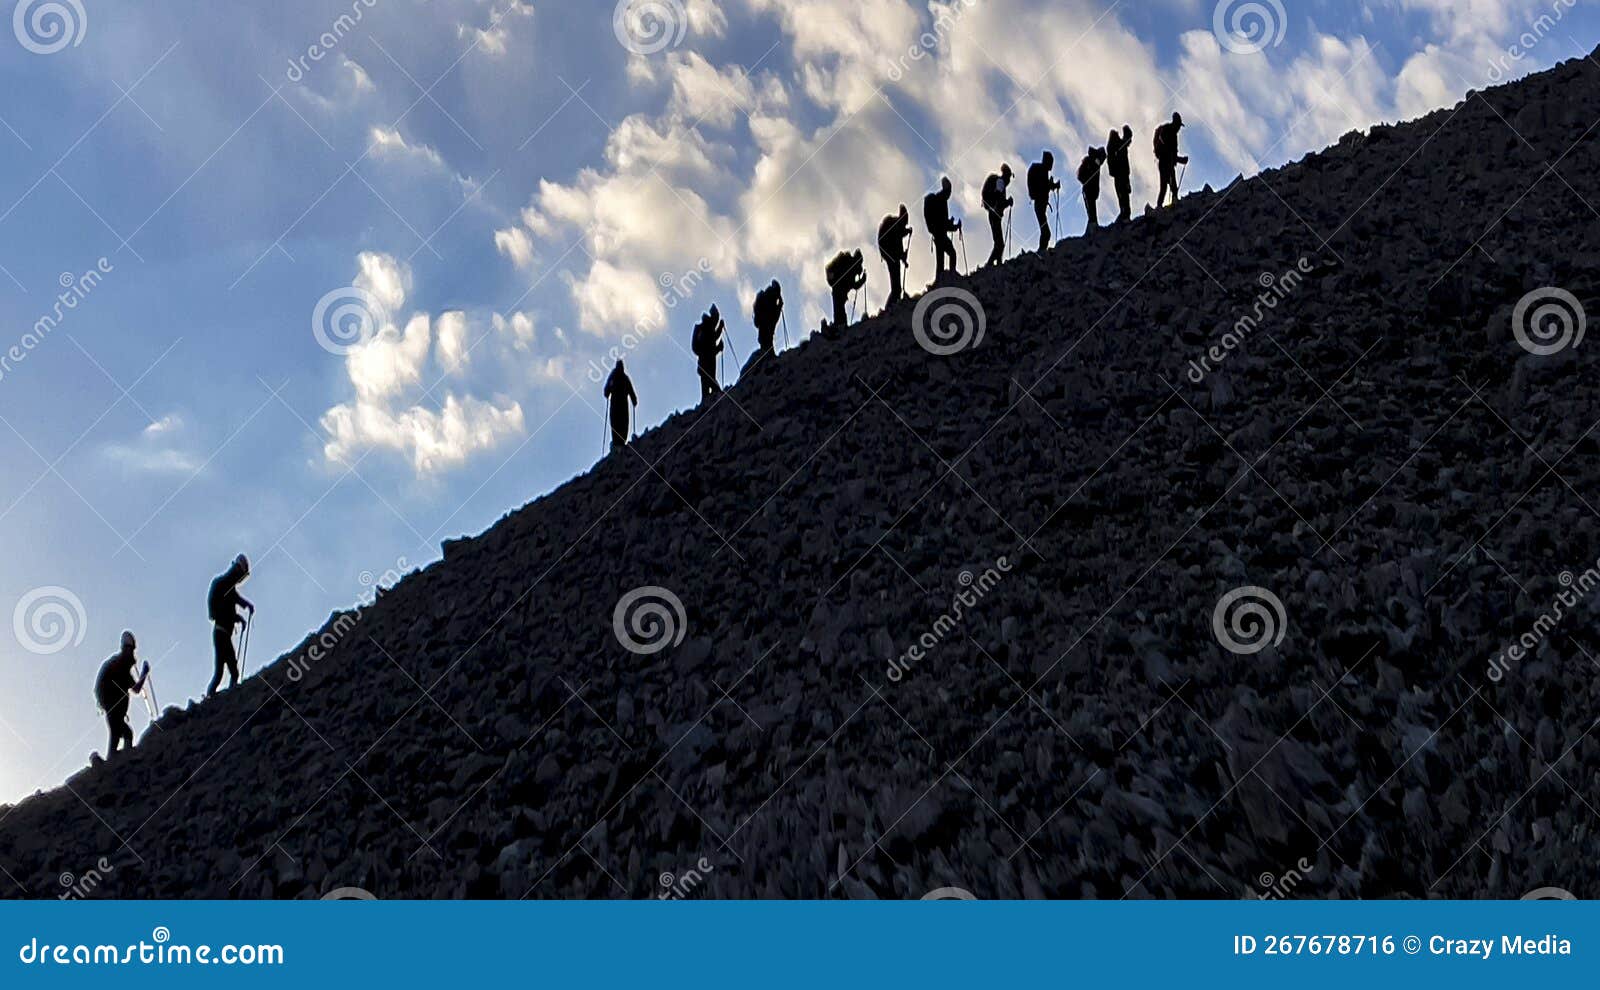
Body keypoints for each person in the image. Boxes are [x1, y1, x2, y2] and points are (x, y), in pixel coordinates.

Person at [96, 631, 150, 758]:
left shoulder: (116, 665)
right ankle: (122, 762)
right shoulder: (120, 667)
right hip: (113, 709)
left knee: (118, 735)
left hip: (111, 708)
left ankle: (113, 763)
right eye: (131, 650)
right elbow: (136, 689)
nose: (132, 653)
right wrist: (144, 673)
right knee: (124, 734)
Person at [207, 554, 254, 696]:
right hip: (222, 634)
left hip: (220, 633)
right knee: (232, 672)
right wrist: (243, 611)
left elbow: (230, 604)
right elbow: (231, 603)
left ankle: (211, 698)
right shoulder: (225, 585)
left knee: (220, 672)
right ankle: (229, 698)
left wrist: (240, 615)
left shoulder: (223, 584)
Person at [922, 177, 961, 283]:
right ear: (947, 190)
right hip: (941, 235)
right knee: (952, 254)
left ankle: (938, 282)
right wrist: (955, 226)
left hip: (937, 235)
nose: (950, 193)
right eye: (950, 191)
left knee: (940, 261)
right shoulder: (941, 201)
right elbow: (943, 223)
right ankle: (951, 276)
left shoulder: (939, 199)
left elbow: (942, 222)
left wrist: (951, 224)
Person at [822, 249, 867, 339]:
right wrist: (863, 280)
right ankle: (837, 330)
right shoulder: (851, 265)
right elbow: (854, 285)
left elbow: (852, 284)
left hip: (837, 289)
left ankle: (837, 329)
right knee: (840, 312)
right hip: (839, 290)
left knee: (839, 311)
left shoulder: (848, 262)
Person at [877, 206, 913, 307]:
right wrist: (903, 258)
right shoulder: (896, 227)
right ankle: (890, 308)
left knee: (896, 286)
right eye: (905, 222)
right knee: (896, 287)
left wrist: (903, 259)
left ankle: (892, 306)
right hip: (891, 256)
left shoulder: (895, 226)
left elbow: (898, 244)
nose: (905, 225)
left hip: (890, 256)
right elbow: (898, 245)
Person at [1027, 152, 1061, 252]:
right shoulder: (1042, 171)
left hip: (1039, 204)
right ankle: (1041, 251)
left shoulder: (1041, 171)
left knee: (1045, 231)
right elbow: (1044, 186)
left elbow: (1044, 186)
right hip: (1040, 204)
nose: (1051, 165)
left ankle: (1042, 251)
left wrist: (1052, 185)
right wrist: (1053, 185)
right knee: (1046, 232)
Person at [981, 164, 1014, 267]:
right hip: (994, 215)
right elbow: (999, 199)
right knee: (999, 243)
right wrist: (1008, 202)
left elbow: (998, 200)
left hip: (993, 214)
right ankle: (990, 265)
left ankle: (997, 264)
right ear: (1006, 175)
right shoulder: (1000, 182)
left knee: (998, 243)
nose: (1009, 181)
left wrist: (1006, 202)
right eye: (1009, 177)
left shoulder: (998, 182)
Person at [1154, 112, 1188, 209]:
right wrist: (1181, 160)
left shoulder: (1169, 132)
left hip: (1165, 162)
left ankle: (1161, 206)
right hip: (1166, 162)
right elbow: (1171, 153)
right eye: (1179, 125)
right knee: (1168, 186)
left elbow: (1172, 155)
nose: (1179, 128)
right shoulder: (1169, 132)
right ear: (1176, 123)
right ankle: (1167, 205)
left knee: (1166, 186)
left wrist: (1180, 160)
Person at [691, 305, 725, 401]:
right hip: (707, 364)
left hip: (704, 365)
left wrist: (720, 328)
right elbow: (709, 347)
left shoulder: (706, 328)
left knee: (707, 388)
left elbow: (712, 339)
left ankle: (706, 407)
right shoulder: (707, 329)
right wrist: (718, 347)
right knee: (711, 386)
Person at [603, 360, 637, 452]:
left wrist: (634, 400)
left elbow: (606, 391)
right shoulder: (615, 377)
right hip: (616, 404)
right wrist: (634, 400)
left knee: (622, 422)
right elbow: (606, 390)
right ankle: (617, 443)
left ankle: (620, 443)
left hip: (621, 404)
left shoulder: (622, 378)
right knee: (617, 423)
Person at [752, 280, 784, 364]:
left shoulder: (767, 298)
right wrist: (780, 305)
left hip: (764, 329)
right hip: (766, 329)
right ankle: (768, 362)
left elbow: (773, 319)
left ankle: (767, 361)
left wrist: (779, 305)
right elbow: (773, 318)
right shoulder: (770, 301)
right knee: (767, 344)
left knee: (765, 345)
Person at [1107, 125, 1134, 222]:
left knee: (1121, 195)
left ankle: (1123, 214)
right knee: (1125, 195)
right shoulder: (1121, 146)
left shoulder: (1113, 147)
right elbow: (1125, 165)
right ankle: (1126, 216)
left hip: (1117, 175)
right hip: (1123, 175)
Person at [1078, 145, 1107, 234]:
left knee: (1092, 212)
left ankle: (1092, 229)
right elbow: (1080, 176)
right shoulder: (1091, 162)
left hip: (1092, 190)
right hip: (1088, 190)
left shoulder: (1094, 162)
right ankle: (1092, 230)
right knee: (1091, 212)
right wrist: (1087, 182)